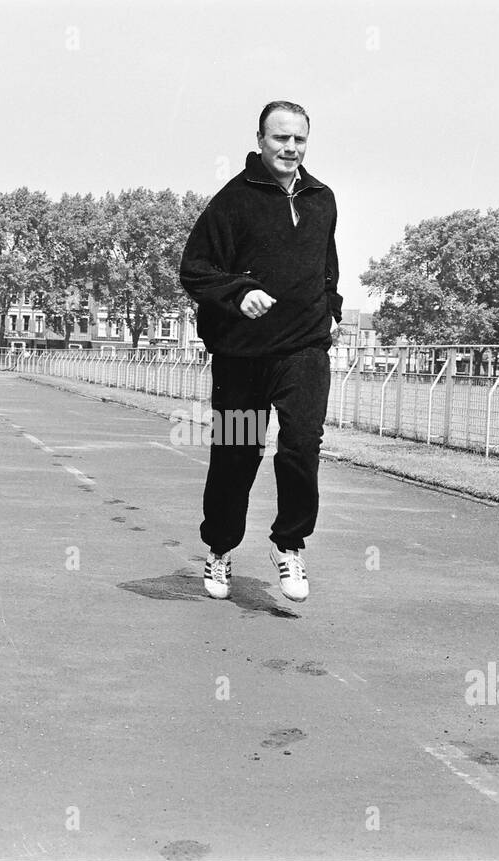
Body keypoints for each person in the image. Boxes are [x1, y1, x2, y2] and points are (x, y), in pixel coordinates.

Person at [179, 100, 341, 603]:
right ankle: (220, 548)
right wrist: (240, 291)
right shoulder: (234, 200)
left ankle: (289, 544)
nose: (290, 148)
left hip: (304, 349)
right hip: (243, 356)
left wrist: (333, 311)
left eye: (299, 139)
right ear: (260, 140)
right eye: (280, 138)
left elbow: (327, 267)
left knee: (302, 445)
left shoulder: (322, 199)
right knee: (237, 454)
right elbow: (195, 269)